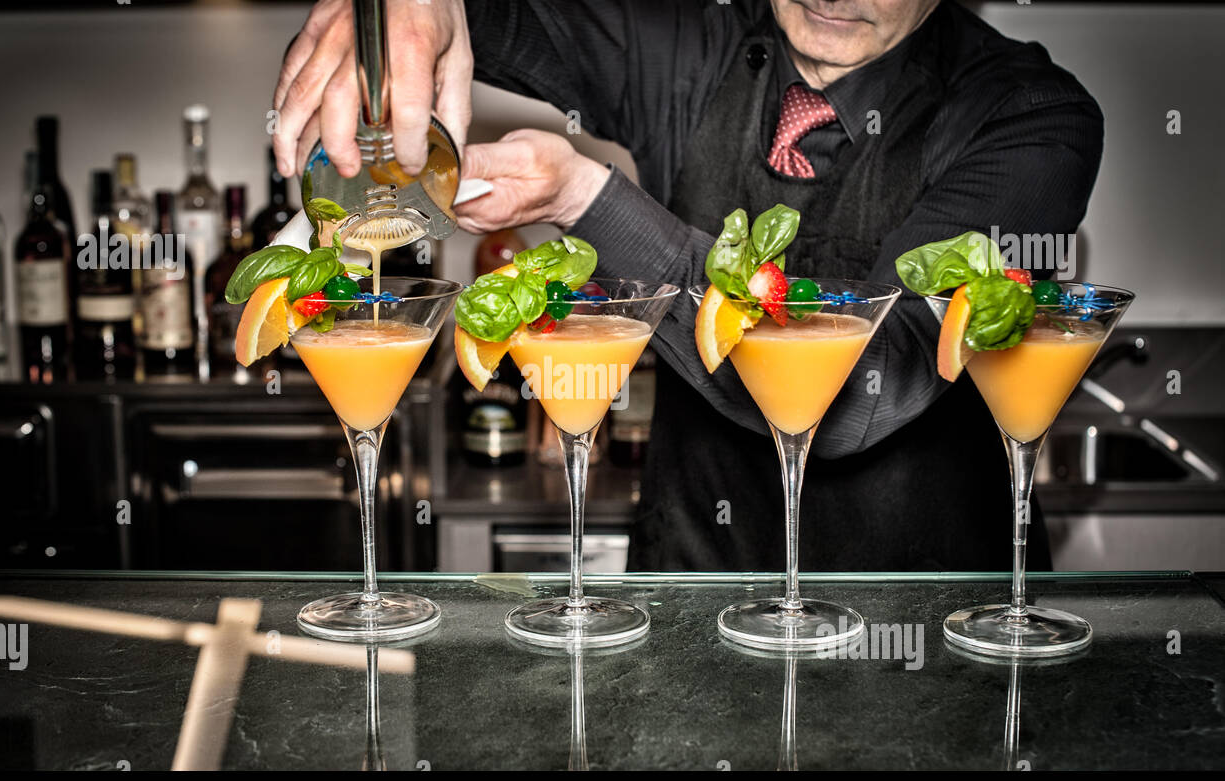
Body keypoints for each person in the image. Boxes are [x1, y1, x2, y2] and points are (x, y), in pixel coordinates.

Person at [272, 0, 1103, 574]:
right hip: (690, 597)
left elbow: (861, 391)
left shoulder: (1031, 117)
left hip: (929, 633)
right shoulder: (699, 37)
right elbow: (510, 15)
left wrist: (584, 197)